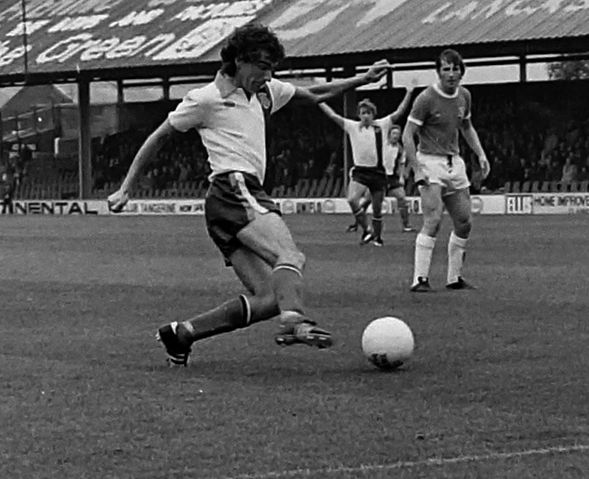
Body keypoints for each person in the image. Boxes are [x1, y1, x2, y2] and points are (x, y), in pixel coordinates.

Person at [107, 22, 390, 365]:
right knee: (289, 255)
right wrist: (126, 188)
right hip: (234, 188)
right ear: (239, 60)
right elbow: (160, 136)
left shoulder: (265, 92)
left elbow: (314, 93)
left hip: (225, 205)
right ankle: (295, 321)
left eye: (272, 68)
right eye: (263, 66)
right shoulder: (206, 98)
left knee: (269, 297)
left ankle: (181, 335)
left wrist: (362, 79)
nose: (268, 75)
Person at [402, 48, 491, 292]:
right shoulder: (426, 99)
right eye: (446, 69)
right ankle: (420, 279)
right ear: (438, 72)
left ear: (462, 72)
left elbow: (467, 127)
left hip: (454, 162)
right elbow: (408, 135)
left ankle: (454, 278)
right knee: (433, 220)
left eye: (455, 69)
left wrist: (480, 154)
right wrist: (417, 168)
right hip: (430, 162)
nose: (451, 74)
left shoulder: (464, 96)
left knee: (464, 221)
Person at [318, 87, 417, 247]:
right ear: (359, 114)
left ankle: (377, 238)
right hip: (360, 172)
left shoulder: (382, 125)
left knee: (377, 210)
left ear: (373, 114)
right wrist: (319, 101)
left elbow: (399, 112)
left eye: (368, 113)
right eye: (363, 113)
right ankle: (367, 229)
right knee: (352, 199)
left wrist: (409, 93)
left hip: (378, 173)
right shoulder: (352, 126)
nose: (365, 116)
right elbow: (333, 115)